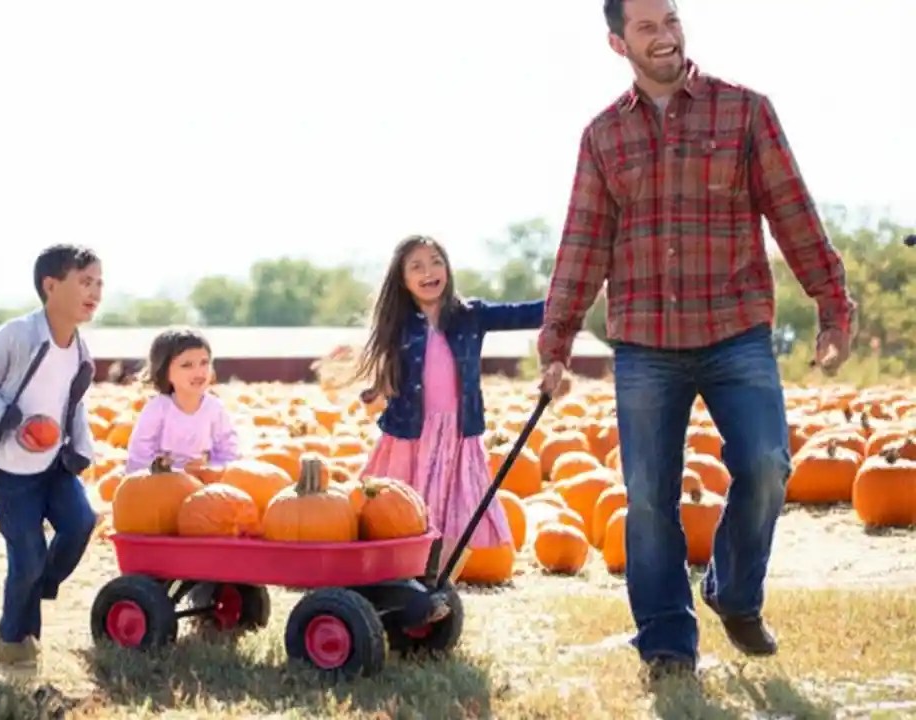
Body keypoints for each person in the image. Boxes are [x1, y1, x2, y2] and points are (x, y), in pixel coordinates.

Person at [536, 0, 855, 680]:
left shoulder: (744, 111)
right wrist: (557, 339)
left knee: (768, 465)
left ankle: (735, 594)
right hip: (646, 342)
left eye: (672, 20)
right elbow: (583, 243)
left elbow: (793, 209)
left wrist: (832, 304)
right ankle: (667, 646)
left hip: (735, 327)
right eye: (647, 26)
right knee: (649, 497)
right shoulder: (602, 138)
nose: (665, 35)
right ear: (618, 43)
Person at [355, 235, 546, 575]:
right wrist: (376, 389)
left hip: (457, 435)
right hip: (411, 434)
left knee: (460, 514)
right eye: (416, 266)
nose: (428, 272)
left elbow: (526, 314)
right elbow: (386, 367)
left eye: (436, 262)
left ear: (447, 269)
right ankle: (399, 575)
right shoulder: (397, 323)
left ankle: (439, 582)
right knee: (398, 512)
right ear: (403, 279)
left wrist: (573, 300)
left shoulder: (470, 316)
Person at [0, 243, 104, 669]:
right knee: (25, 560)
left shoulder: (80, 352)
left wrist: (81, 449)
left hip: (54, 466)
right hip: (13, 473)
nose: (94, 291)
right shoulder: (18, 335)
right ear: (50, 285)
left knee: (80, 523)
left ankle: (42, 583)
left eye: (99, 283)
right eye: (84, 281)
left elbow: (74, 405)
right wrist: (5, 416)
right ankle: (13, 640)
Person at [124, 327, 242, 474]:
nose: (199, 372)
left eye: (204, 363)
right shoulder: (158, 409)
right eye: (187, 365)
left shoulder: (214, 408)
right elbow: (139, 457)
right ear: (164, 371)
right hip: (162, 483)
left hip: (202, 482)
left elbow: (229, 452)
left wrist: (211, 469)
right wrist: (169, 471)